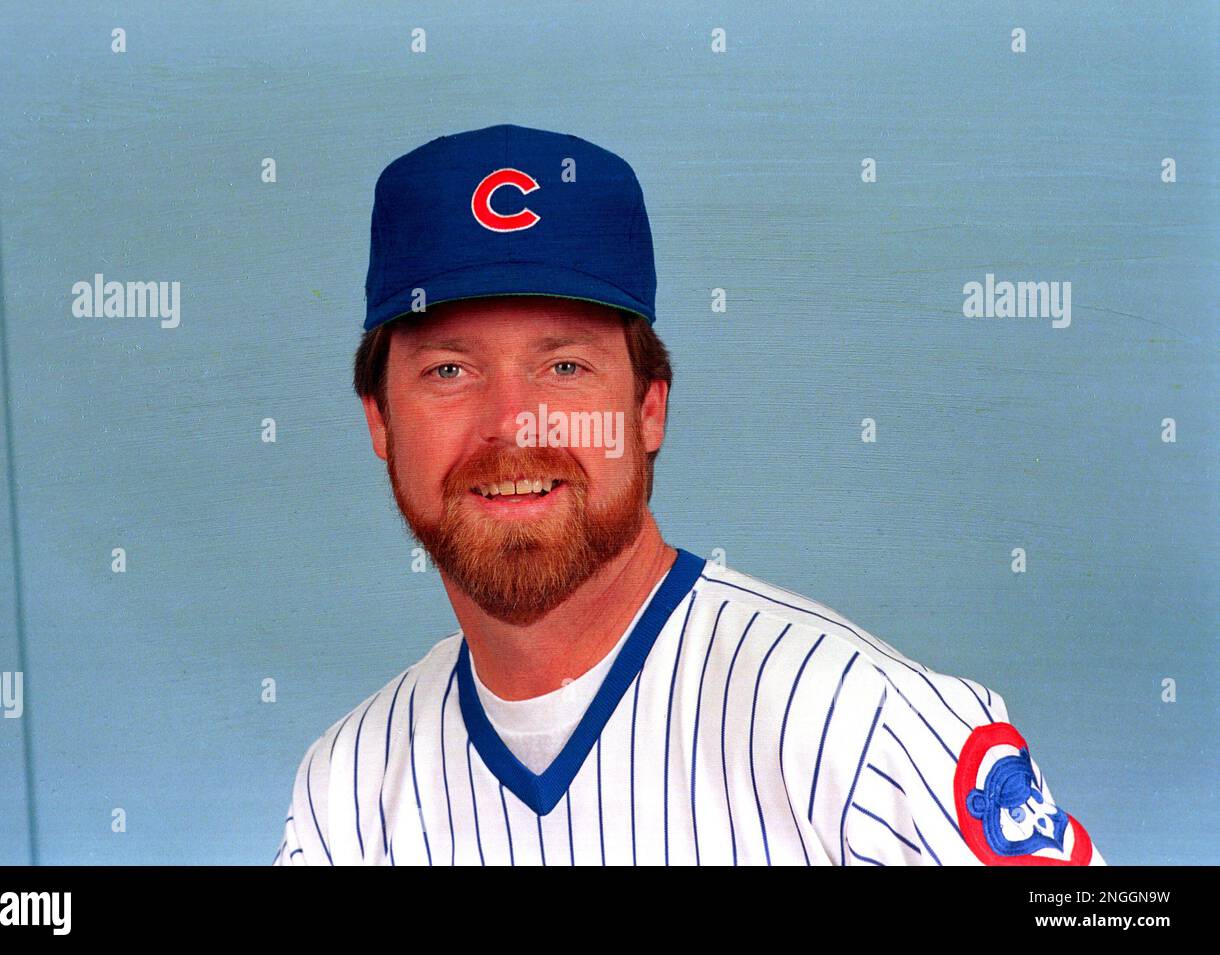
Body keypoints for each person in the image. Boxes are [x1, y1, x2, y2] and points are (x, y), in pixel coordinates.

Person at [273, 123, 1105, 866]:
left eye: (565, 367)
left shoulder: (853, 723)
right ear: (380, 420)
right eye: (449, 370)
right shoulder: (349, 791)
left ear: (648, 410)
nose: (510, 425)